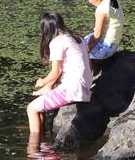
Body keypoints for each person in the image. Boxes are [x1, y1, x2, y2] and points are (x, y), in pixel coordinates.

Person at [26, 12, 92, 149]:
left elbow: (55, 72)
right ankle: (43, 138)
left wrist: (42, 82)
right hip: (84, 86)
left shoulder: (57, 42)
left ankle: (34, 146)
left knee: (31, 109)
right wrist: (48, 86)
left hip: (72, 90)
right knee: (40, 105)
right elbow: (62, 70)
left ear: (46, 29)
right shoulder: (77, 38)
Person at [79, 0, 124, 64]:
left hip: (105, 47)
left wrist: (87, 49)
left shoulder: (101, 9)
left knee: (79, 55)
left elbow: (97, 35)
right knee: (82, 41)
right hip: (114, 44)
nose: (89, 2)